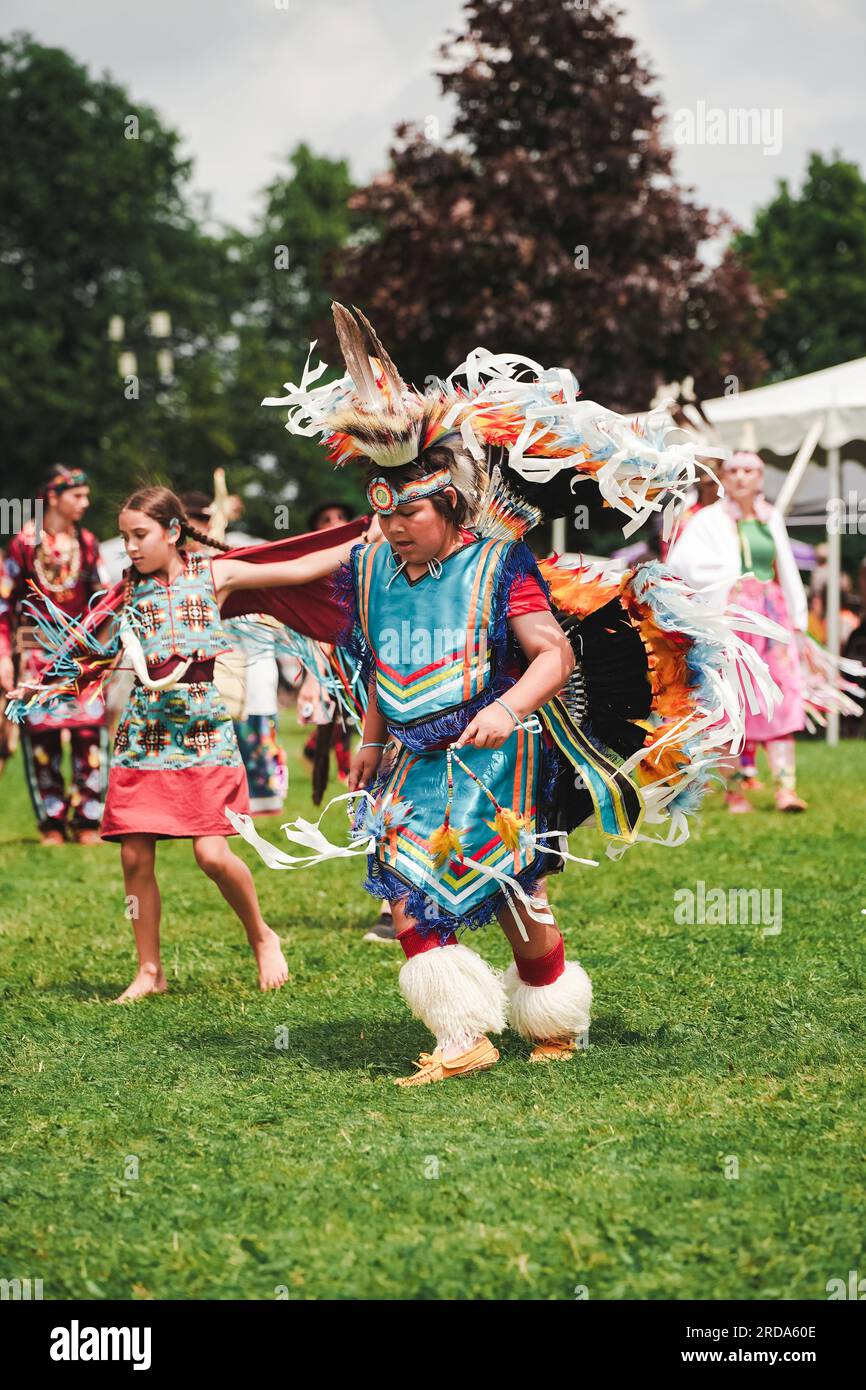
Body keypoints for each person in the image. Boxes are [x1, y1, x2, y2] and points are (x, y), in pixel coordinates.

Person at [232, 303, 781, 1084]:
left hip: (501, 753)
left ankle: (531, 1021)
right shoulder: (369, 570)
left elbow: (551, 655)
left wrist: (505, 708)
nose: (393, 527)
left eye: (410, 512)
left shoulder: (499, 565)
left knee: (509, 894)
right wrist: (371, 742)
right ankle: (473, 1031)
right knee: (416, 896)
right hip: (415, 758)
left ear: (448, 504)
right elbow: (383, 663)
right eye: (384, 512)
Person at [8, 485, 377, 1002]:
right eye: (125, 537)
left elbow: (297, 568)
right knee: (134, 854)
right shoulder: (126, 589)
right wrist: (41, 684)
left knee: (212, 854)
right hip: (143, 732)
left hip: (203, 730)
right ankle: (149, 970)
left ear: (173, 532)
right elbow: (86, 649)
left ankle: (262, 935)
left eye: (140, 535)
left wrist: (369, 534)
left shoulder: (215, 575)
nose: (131, 546)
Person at [667, 451, 810, 813]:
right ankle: (735, 791)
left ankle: (786, 789)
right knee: (732, 701)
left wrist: (798, 620)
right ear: (723, 479)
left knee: (781, 694)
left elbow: (786, 568)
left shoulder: (770, 517)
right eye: (733, 471)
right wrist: (722, 581)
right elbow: (680, 565)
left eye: (750, 470)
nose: (742, 477)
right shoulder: (707, 520)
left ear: (761, 477)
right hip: (729, 616)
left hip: (772, 615)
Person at [0, 465, 109, 844]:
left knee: (88, 733)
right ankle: (51, 821)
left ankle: (87, 820)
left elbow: (104, 601)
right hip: (34, 650)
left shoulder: (90, 544)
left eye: (86, 495)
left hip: (80, 652)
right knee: (42, 738)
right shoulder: (23, 544)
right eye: (77, 496)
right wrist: (3, 656)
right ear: (53, 496)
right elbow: (4, 604)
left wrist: (102, 652)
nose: (85, 502)